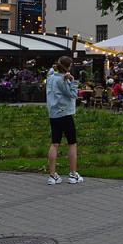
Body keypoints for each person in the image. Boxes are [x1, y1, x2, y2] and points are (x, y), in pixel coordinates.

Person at [46, 56, 83, 184]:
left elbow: (52, 70)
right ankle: (73, 174)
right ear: (68, 67)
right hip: (65, 114)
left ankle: (52, 175)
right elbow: (73, 94)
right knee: (72, 143)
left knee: (54, 143)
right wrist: (72, 81)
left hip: (53, 114)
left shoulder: (50, 77)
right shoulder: (62, 80)